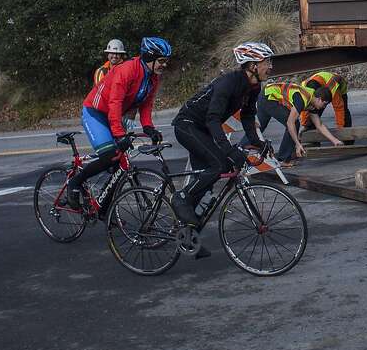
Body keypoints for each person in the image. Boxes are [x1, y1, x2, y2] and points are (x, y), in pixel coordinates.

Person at [169, 42, 272, 225]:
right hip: (188, 125)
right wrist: (229, 150)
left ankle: (187, 234)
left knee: (204, 183)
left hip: (203, 129)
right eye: (267, 62)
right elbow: (212, 119)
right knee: (219, 165)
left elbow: (247, 115)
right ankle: (180, 197)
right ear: (252, 66)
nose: (270, 66)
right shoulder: (228, 83)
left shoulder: (254, 86)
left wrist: (258, 142)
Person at [66, 36, 170, 207]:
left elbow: (146, 105)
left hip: (112, 115)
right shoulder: (127, 70)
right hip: (95, 112)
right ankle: (75, 182)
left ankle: (104, 207)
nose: (164, 65)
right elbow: (115, 102)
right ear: (150, 58)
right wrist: (120, 134)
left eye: (166, 61)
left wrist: (149, 127)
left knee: (120, 165)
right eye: (161, 60)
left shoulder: (153, 77)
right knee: (110, 156)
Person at [257, 81, 340, 166]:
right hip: (269, 97)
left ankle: (243, 150)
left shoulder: (312, 100)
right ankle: (283, 159)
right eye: (325, 104)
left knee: (258, 128)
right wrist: (297, 144)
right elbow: (290, 122)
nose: (324, 107)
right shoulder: (302, 98)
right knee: (294, 122)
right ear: (319, 99)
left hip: (266, 94)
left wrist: (335, 141)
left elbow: (319, 125)